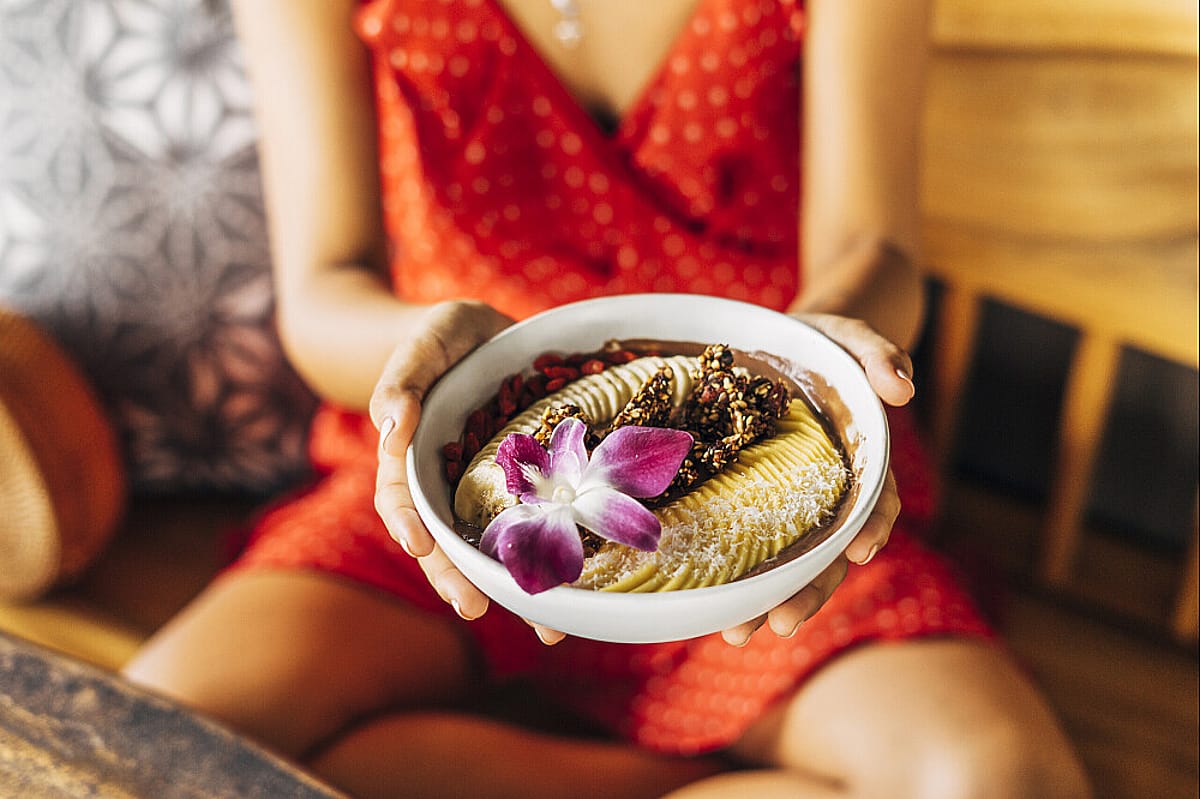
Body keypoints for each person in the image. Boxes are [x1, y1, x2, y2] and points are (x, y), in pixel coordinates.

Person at [123, 1, 1092, 797]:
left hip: (765, 493)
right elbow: (325, 293)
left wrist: (820, 352)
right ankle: (679, 778)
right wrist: (422, 360)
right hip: (452, 497)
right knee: (140, 745)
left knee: (996, 778)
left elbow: (872, 251)